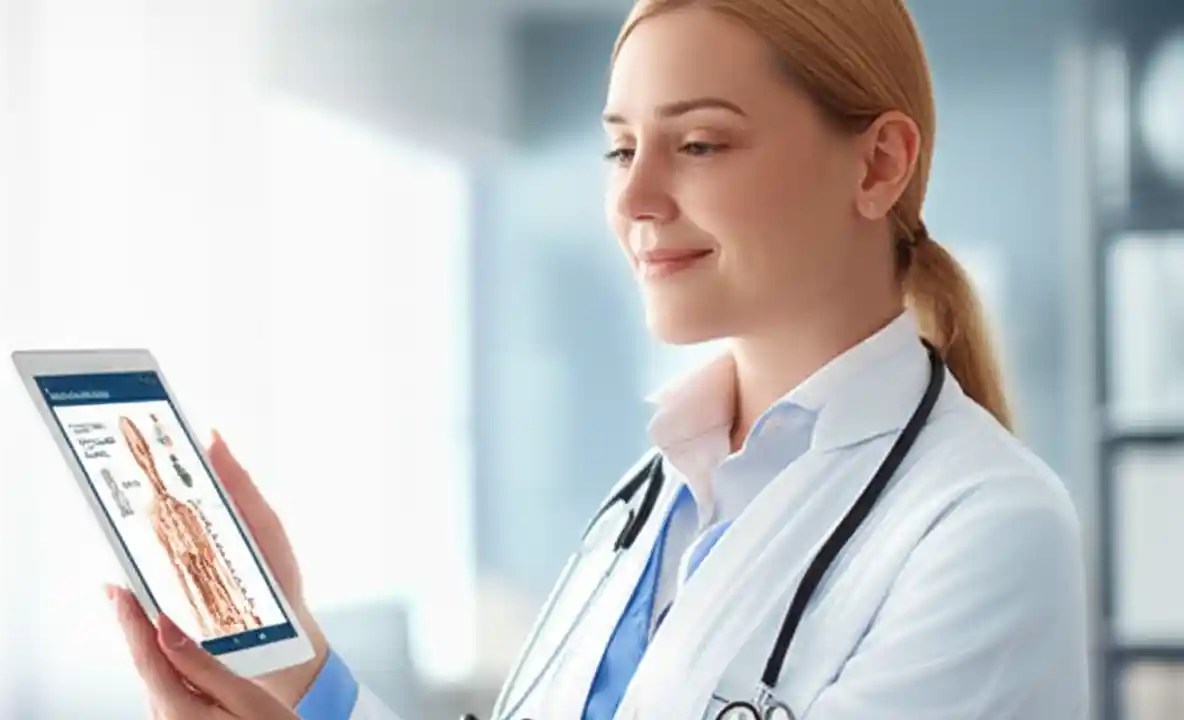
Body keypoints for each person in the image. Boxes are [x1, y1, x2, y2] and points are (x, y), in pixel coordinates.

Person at [106, 0, 1090, 717]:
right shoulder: (653, 495)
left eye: (698, 143)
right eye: (620, 150)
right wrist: (299, 670)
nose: (633, 200)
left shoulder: (985, 528)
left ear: (876, 164)